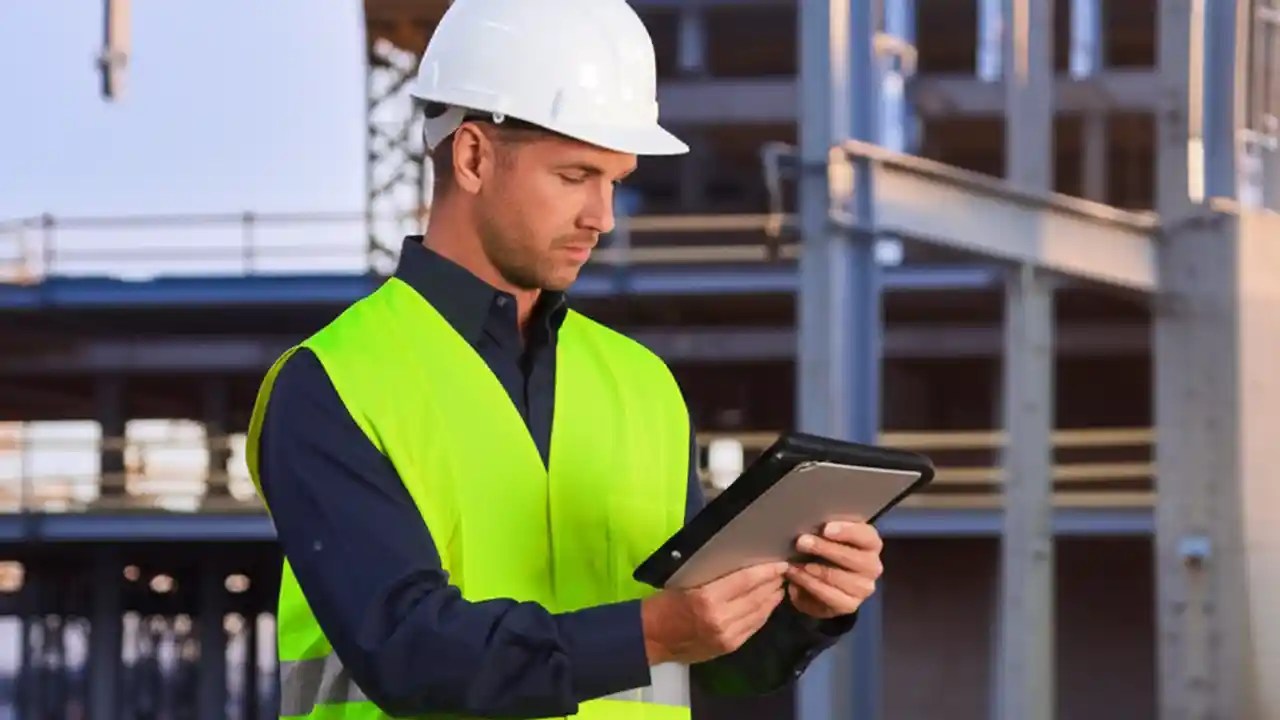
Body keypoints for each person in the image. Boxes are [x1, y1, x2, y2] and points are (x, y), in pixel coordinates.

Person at [244, 0, 886, 717]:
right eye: (576, 175)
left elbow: (716, 661)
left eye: (615, 181)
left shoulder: (640, 384)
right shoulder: (332, 383)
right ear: (473, 156)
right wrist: (654, 631)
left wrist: (808, 606)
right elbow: (408, 651)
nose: (603, 217)